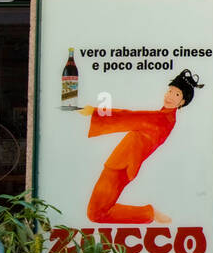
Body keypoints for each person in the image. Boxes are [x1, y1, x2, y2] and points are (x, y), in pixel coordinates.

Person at [78, 69, 201, 224]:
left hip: (121, 166)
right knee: (97, 212)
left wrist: (95, 112)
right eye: (169, 91)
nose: (170, 96)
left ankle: (148, 213)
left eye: (176, 94)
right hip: (120, 163)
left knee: (96, 213)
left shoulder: (161, 119)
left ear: (182, 102)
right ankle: (148, 213)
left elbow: (129, 117)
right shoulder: (163, 117)